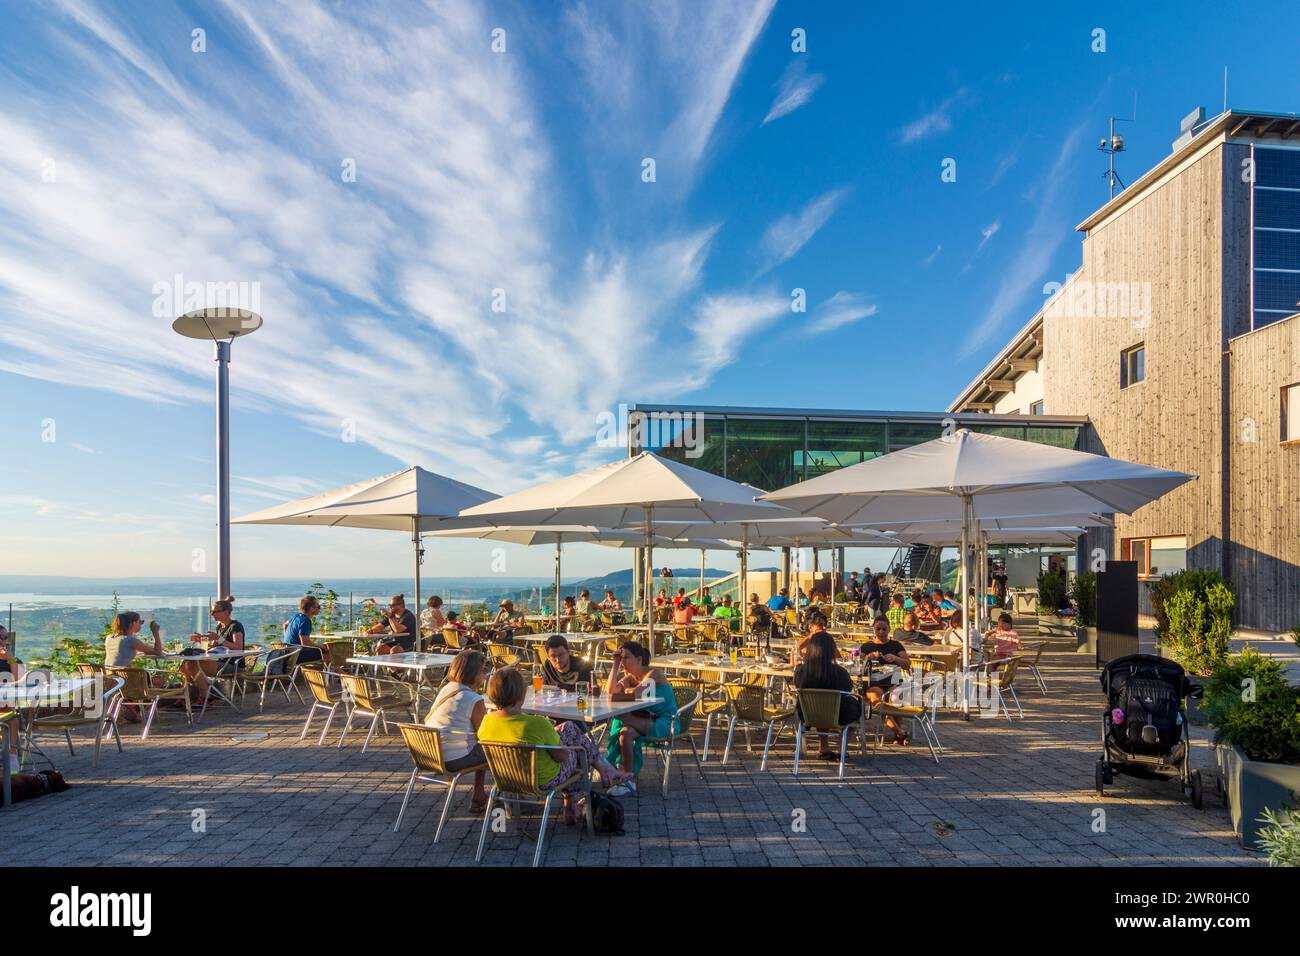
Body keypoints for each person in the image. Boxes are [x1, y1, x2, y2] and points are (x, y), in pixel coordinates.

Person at [479, 667, 630, 823]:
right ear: (521, 695)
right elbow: (562, 756)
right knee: (580, 749)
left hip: (505, 778)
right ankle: (591, 788)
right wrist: (566, 746)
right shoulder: (536, 723)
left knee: (569, 727)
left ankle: (598, 779)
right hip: (543, 780)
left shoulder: (486, 722)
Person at [604, 641, 677, 797]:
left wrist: (624, 692)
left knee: (621, 718)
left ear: (639, 659)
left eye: (625, 658)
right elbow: (610, 691)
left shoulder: (654, 673)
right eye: (620, 658)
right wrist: (615, 664)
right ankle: (628, 778)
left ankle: (613, 770)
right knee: (624, 733)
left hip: (665, 721)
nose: (623, 662)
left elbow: (635, 694)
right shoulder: (629, 677)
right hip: (643, 717)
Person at [424, 649, 490, 811]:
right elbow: (484, 736)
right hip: (451, 759)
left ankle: (479, 795)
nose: (486, 673)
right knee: (497, 750)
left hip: (428, 754)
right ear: (473, 672)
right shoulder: (474, 699)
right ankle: (514, 799)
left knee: (479, 747)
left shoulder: (447, 689)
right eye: (483, 669)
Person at [793, 631, 863, 759]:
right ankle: (843, 746)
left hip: (807, 714)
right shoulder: (840, 672)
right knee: (858, 706)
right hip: (837, 714)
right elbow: (848, 689)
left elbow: (797, 685)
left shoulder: (800, 671)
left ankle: (823, 746)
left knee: (821, 704)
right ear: (831, 651)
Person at [857, 616, 913, 745]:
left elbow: (907, 664)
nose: (881, 632)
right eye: (878, 629)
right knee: (879, 702)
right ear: (873, 630)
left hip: (893, 680)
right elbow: (858, 665)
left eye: (884, 629)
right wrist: (868, 658)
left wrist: (895, 658)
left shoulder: (895, 645)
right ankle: (900, 732)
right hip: (874, 682)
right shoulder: (867, 646)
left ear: (889, 629)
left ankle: (896, 734)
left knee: (896, 698)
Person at [181, 598, 246, 699]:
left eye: (214, 611)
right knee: (185, 665)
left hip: (233, 664)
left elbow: (238, 648)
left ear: (225, 612)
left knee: (191, 665)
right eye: (211, 612)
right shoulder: (220, 627)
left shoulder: (235, 626)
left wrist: (218, 639)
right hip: (220, 662)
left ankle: (205, 697)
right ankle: (188, 697)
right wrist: (201, 639)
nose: (212, 614)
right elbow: (214, 646)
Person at [284, 595, 325, 666]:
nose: (319, 609)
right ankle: (332, 673)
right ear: (311, 608)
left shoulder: (297, 616)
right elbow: (305, 643)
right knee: (326, 651)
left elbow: (285, 625)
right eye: (318, 607)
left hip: (288, 653)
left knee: (321, 649)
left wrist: (290, 637)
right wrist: (321, 646)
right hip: (297, 655)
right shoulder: (305, 621)